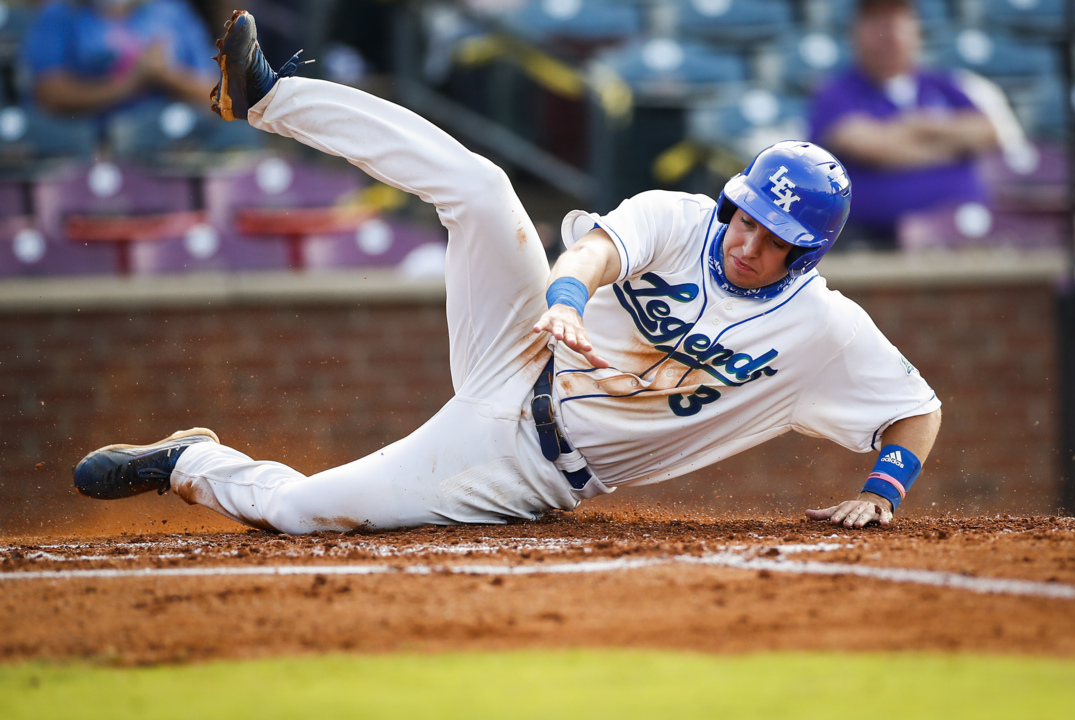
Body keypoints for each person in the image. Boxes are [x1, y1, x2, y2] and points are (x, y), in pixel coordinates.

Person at [73, 10, 942, 533]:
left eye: (774, 233)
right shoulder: (683, 220)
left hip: (523, 461)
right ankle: (269, 97)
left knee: (305, 514)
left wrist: (882, 492)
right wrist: (565, 296)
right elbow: (601, 251)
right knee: (485, 190)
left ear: (810, 252)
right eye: (746, 213)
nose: (748, 237)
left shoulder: (824, 329)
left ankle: (192, 463)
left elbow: (914, 410)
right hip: (526, 346)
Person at [807, 0, 1000, 247]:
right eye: (876, 20)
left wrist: (920, 125)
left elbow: (987, 132)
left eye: (896, 20)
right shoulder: (836, 92)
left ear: (915, 29)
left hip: (966, 235)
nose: (887, 32)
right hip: (873, 245)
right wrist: (954, 149)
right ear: (856, 32)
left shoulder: (943, 84)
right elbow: (876, 148)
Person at [20, 0, 218, 121]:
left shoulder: (172, 12)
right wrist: (129, 83)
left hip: (168, 144)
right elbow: (50, 93)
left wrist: (165, 74)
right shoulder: (59, 13)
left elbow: (212, 94)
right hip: (88, 144)